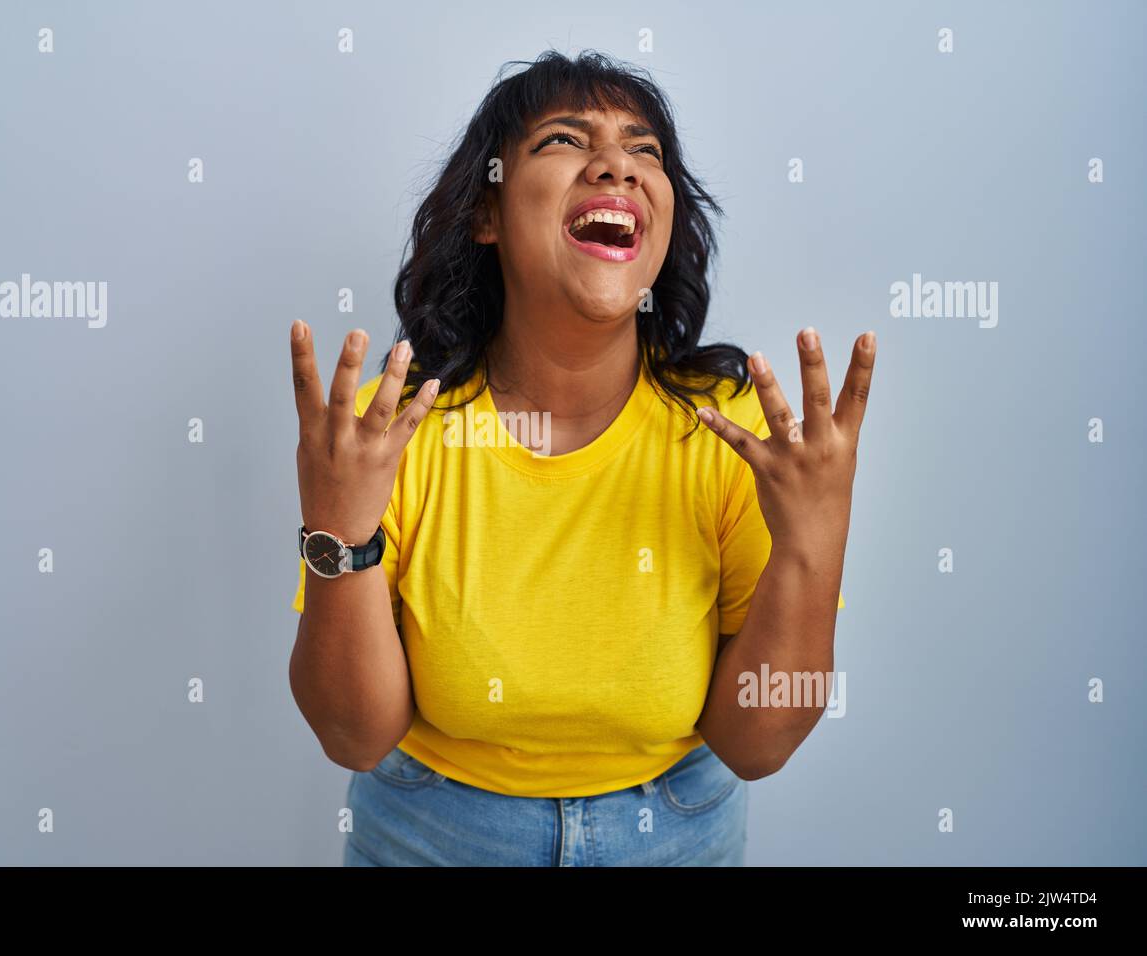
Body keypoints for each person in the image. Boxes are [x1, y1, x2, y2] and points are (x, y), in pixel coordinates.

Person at [287, 50, 875, 866]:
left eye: (646, 151)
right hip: (431, 836)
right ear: (486, 213)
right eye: (565, 140)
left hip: (678, 832)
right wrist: (339, 533)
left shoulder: (731, 428)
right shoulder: (391, 430)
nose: (617, 166)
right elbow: (352, 734)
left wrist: (817, 541)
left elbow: (760, 744)